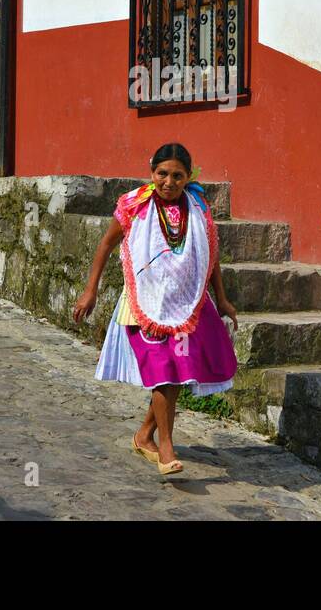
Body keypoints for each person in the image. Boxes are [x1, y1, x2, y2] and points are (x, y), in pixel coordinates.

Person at [72, 142, 239, 476]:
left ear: (187, 176)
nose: (169, 182)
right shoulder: (135, 207)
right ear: (152, 173)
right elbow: (106, 244)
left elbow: (210, 255)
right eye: (162, 173)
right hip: (144, 303)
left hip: (188, 302)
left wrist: (221, 298)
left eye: (177, 175)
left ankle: (145, 435)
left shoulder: (197, 208)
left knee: (174, 376)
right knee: (164, 372)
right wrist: (90, 290)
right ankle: (166, 448)